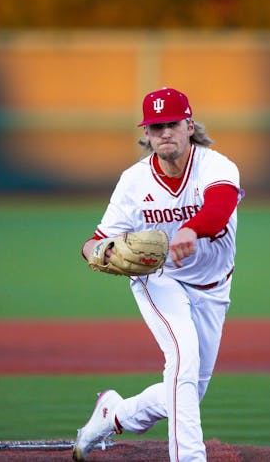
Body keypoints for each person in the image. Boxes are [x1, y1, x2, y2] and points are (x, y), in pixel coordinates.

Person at [72, 87, 244, 462]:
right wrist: (100, 254)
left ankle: (114, 414)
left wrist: (191, 229)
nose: (165, 132)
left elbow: (219, 206)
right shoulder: (134, 181)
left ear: (189, 125)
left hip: (213, 287)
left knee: (188, 391)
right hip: (159, 278)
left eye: (172, 124)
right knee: (182, 361)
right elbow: (95, 241)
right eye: (156, 126)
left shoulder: (217, 166)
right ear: (146, 135)